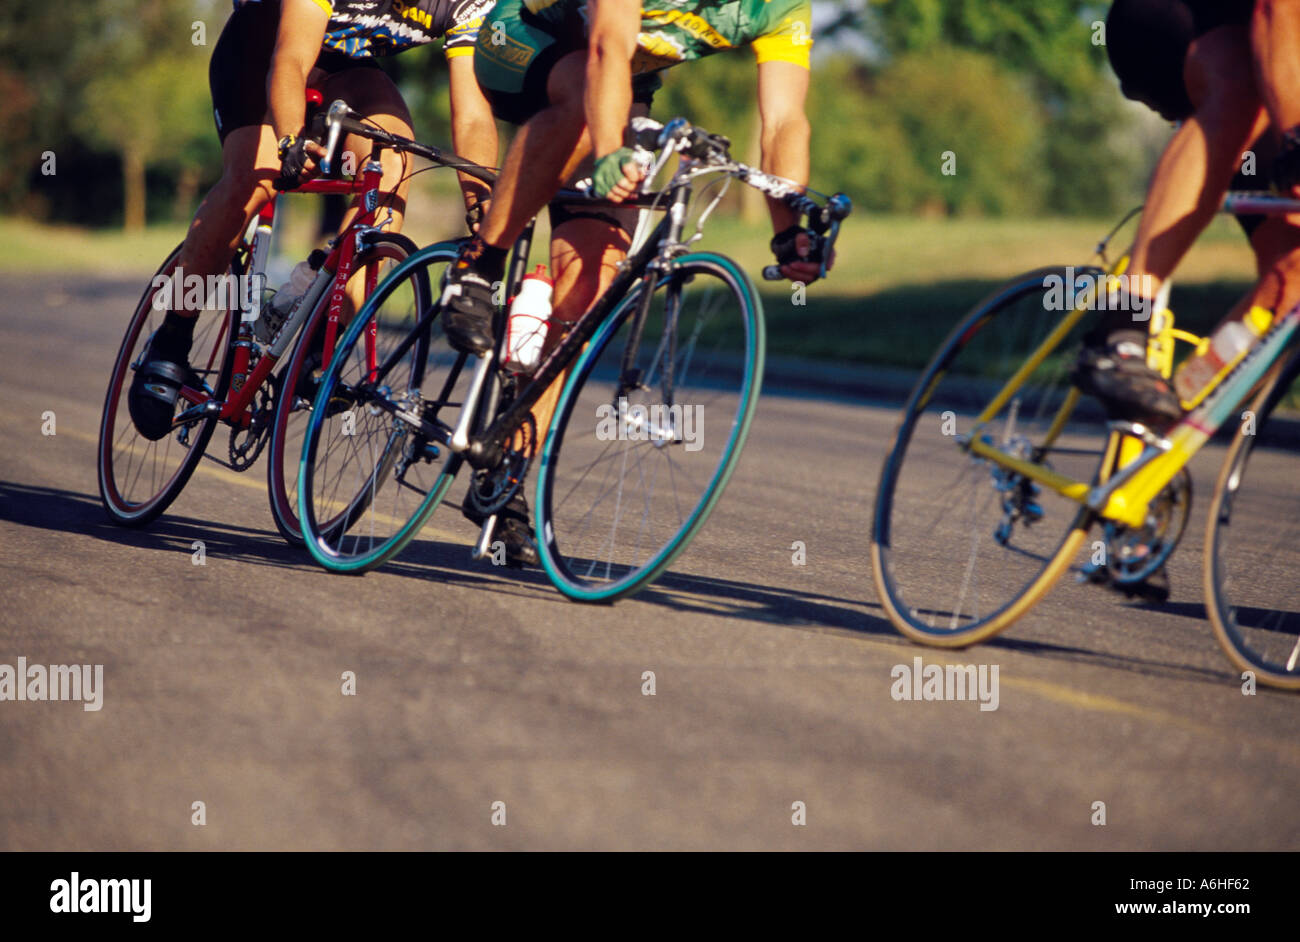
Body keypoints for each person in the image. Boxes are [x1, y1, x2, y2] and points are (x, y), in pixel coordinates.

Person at [442, 0, 831, 565]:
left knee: (591, 285)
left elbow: (783, 122)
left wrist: (788, 229)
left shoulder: (782, 8)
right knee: (584, 108)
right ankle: (478, 264)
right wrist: (607, 151)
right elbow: (604, 48)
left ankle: (508, 473)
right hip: (526, 45)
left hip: (623, 82)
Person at [128, 0, 499, 440]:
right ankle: (171, 339)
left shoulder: (470, 4)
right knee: (255, 179)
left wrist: (483, 203)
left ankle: (319, 343)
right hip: (263, 48)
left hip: (349, 69)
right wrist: (290, 139)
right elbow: (290, 59)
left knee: (392, 170)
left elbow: (474, 114)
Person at [1072, 0, 1300, 431]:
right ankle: (1123, 326)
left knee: (1289, 282)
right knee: (1236, 83)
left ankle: (1164, 431)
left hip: (1274, 64)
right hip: (1178, 18)